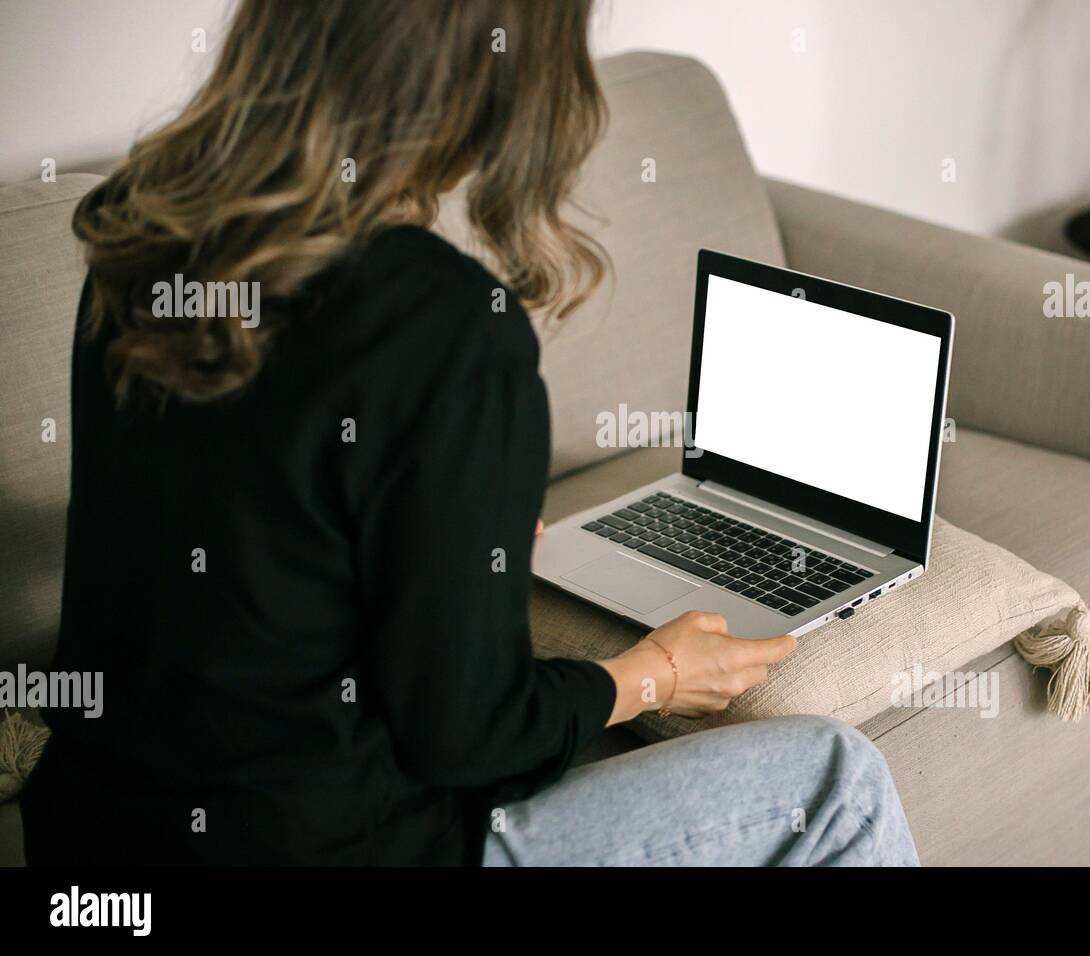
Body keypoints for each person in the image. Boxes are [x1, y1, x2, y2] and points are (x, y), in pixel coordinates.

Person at [21, 0, 917, 867]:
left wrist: (439, 548)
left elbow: (242, 537)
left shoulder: (144, 222)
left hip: (91, 839)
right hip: (315, 844)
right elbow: (468, 741)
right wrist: (651, 676)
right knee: (842, 782)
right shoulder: (445, 327)